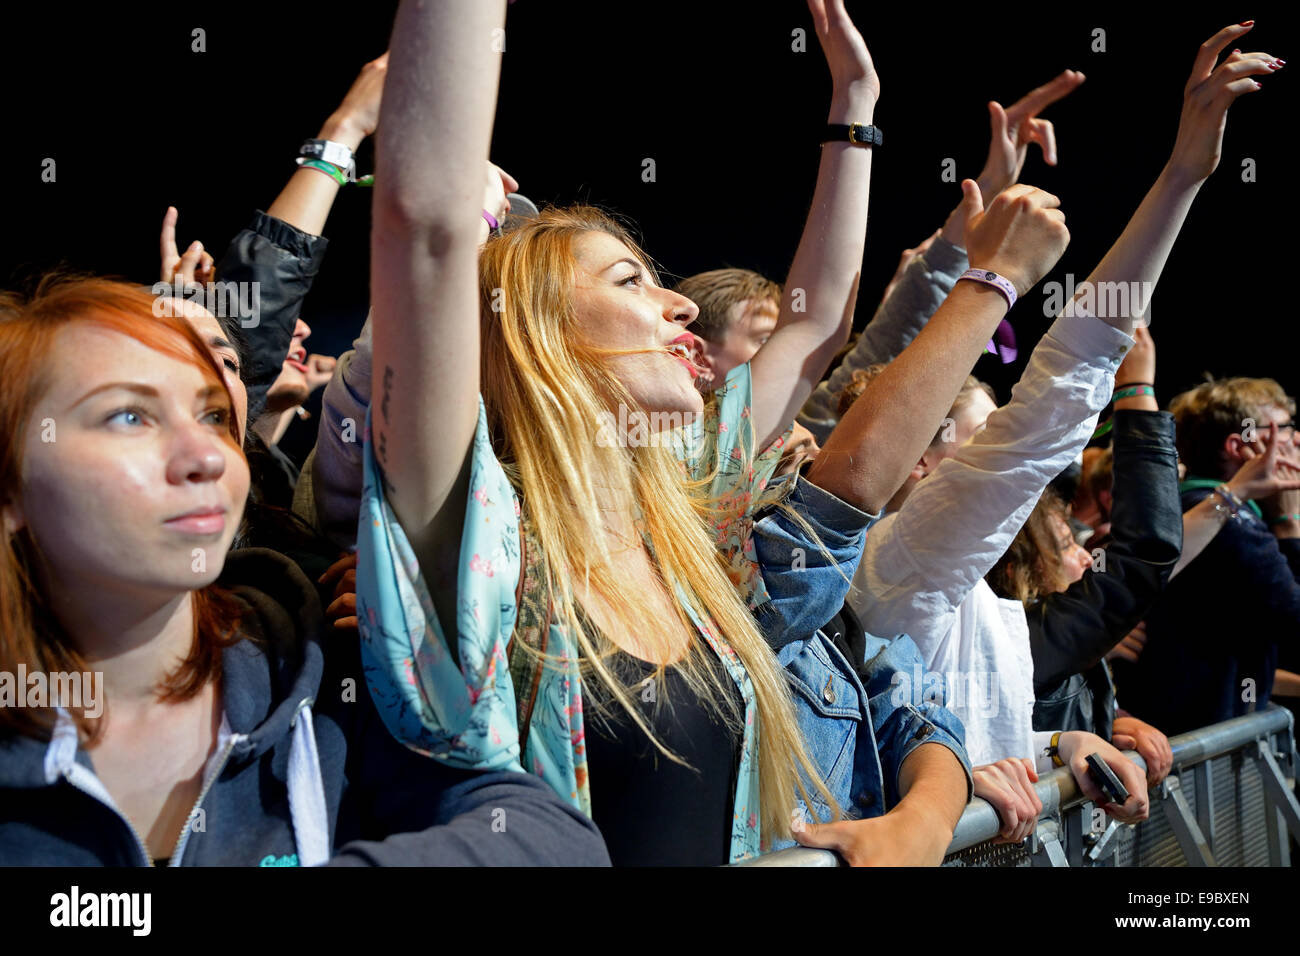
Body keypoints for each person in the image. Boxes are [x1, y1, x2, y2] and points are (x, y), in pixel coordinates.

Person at [826, 23, 1280, 838]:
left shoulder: (977, 611)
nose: (1003, 450)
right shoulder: (897, 567)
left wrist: (1061, 740)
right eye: (975, 435)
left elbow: (968, 726)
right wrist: (1178, 179)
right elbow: (1054, 404)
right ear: (924, 462)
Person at [0, 278, 609, 866]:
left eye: (213, 417)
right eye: (129, 417)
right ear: (11, 488)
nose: (210, 455)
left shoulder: (321, 663)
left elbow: (548, 837)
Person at [1115, 375, 1300, 733]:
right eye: (1287, 429)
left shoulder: (1192, 507)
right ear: (1240, 445)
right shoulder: (1230, 523)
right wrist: (1289, 524)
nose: (1297, 439)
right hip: (1193, 739)